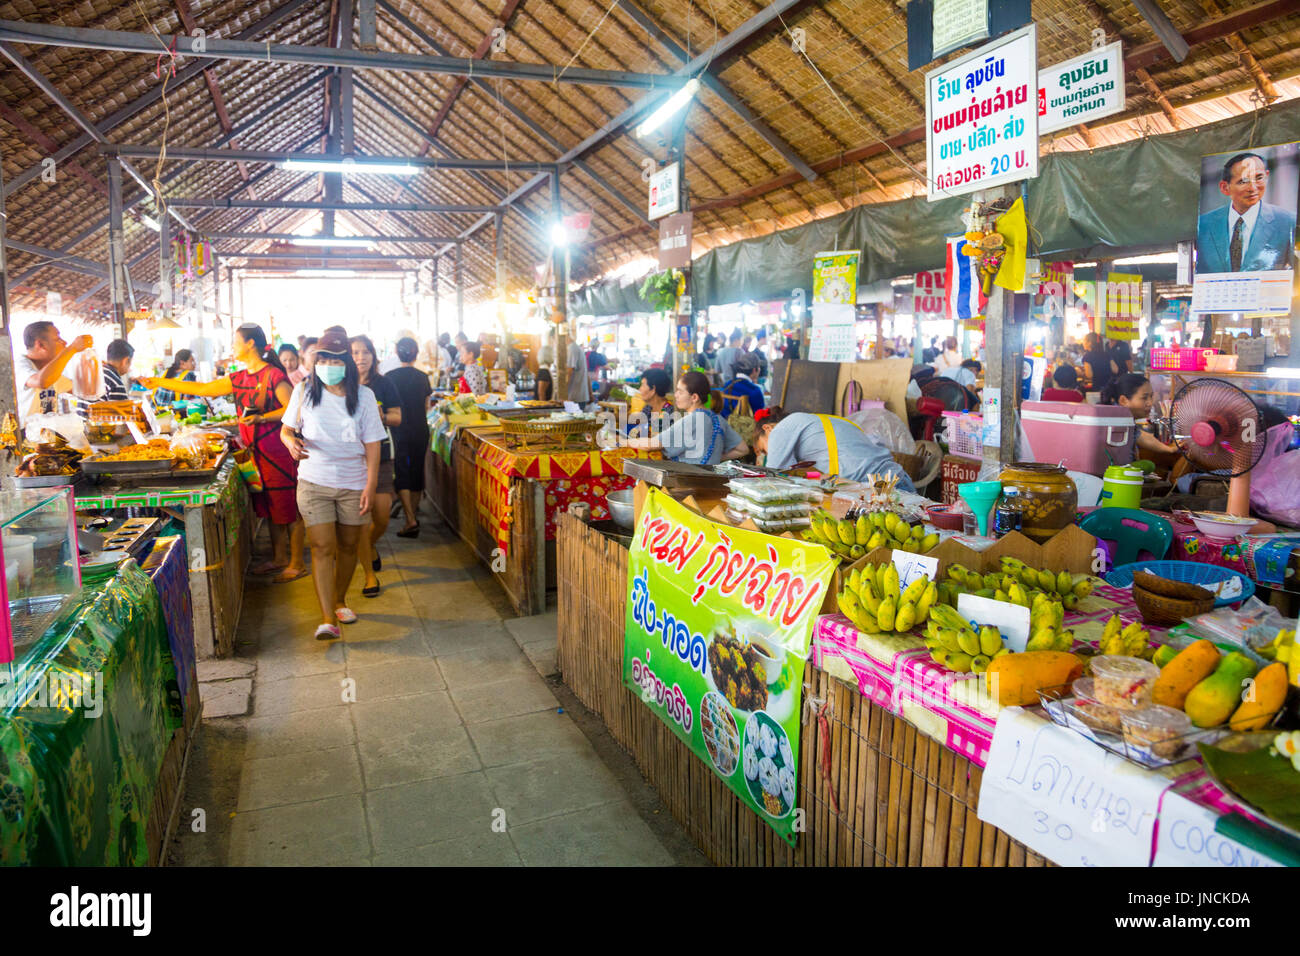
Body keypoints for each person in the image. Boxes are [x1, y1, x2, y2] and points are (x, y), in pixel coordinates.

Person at [142, 324, 305, 582]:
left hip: (279, 452)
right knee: (274, 506)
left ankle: (297, 563)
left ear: (250, 344)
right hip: (256, 454)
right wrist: (158, 381)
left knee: (289, 508)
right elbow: (204, 390)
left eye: (235, 341)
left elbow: (293, 409)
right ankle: (280, 558)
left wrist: (262, 418)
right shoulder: (240, 378)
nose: (233, 346)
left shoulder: (273, 375)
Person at [280, 330, 385, 640]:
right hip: (314, 482)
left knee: (349, 546)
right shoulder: (304, 390)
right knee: (324, 548)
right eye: (321, 358)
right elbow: (286, 430)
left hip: (354, 483)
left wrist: (370, 485)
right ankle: (328, 619)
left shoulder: (363, 396)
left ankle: (339, 599)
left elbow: (373, 445)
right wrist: (290, 443)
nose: (326, 364)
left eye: (333, 359)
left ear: (345, 363)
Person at [752, 406, 915, 490]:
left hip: (880, 489)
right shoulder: (811, 424)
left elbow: (773, 479)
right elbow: (815, 475)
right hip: (896, 480)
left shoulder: (781, 429)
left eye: (764, 449)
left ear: (767, 428)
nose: (769, 453)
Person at [351, 335, 401, 597]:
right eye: (356, 353)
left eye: (366, 352)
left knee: (381, 515)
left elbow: (397, 417)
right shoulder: (340, 385)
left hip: (380, 455)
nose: (361, 358)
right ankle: (369, 574)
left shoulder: (384, 384)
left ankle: (365, 546)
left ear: (373, 355)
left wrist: (380, 415)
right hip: (349, 459)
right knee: (359, 518)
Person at [1195, 151, 1296, 274]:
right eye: (1243, 181)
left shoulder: (1288, 222)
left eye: (1259, 178)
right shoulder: (1203, 225)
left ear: (1267, 176)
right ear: (1225, 187)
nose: (1253, 188)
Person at [625, 371, 748, 465]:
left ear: (694, 397)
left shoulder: (690, 421)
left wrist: (623, 442)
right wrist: (714, 458)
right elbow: (743, 449)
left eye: (680, 391)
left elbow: (650, 445)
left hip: (688, 482)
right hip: (711, 479)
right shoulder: (718, 419)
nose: (676, 395)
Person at [387, 337, 434, 539]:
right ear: (416, 354)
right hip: (420, 429)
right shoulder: (423, 377)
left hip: (398, 431)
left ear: (397, 352)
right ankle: (413, 514)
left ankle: (410, 519)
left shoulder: (389, 377)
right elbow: (426, 407)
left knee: (401, 472)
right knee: (416, 471)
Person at [16, 322, 92, 423]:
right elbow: (42, 382)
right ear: (40, 345)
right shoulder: (19, 365)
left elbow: (84, 391)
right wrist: (72, 349)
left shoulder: (51, 373)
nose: (64, 343)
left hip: (46, 435)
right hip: (23, 435)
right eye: (57, 339)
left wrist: (90, 367)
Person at [1099, 373, 1179, 459]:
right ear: (1123, 400)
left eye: (1151, 396)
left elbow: (1140, 436)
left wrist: (1169, 449)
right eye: (1144, 398)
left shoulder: (1125, 422)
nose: (1150, 403)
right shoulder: (1115, 424)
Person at [77, 339, 133, 418]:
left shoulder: (94, 373)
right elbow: (123, 419)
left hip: (84, 426)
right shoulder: (115, 382)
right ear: (125, 360)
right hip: (100, 429)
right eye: (130, 362)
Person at [628, 368, 673, 437]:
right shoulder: (648, 408)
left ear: (653, 389)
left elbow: (660, 441)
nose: (640, 389)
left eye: (643, 385)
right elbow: (635, 431)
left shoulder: (669, 411)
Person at [565, 336, 590, 404]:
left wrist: (563, 392)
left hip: (576, 397)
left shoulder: (572, 348)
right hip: (578, 396)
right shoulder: (575, 347)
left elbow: (570, 371)